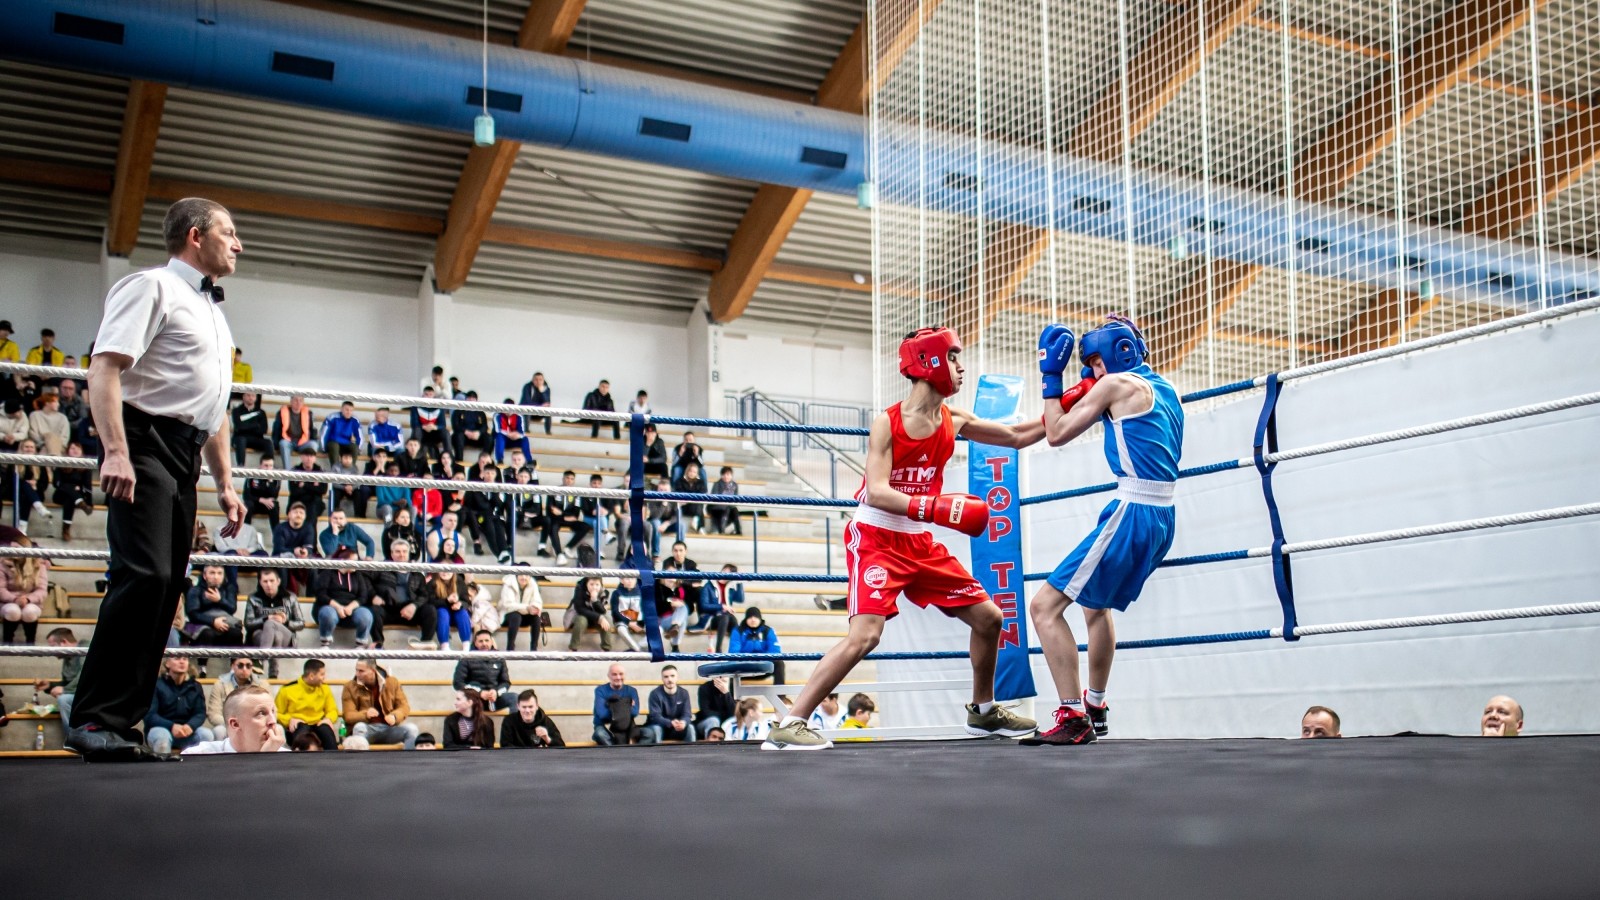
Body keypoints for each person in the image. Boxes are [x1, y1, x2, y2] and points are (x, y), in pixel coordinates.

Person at [764, 327, 1042, 750]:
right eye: (952, 357)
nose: (961, 366)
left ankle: (983, 713)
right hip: (875, 535)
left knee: (989, 619)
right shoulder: (887, 423)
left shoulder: (956, 419)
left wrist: (1074, 404)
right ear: (929, 362)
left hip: (917, 540)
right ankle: (791, 724)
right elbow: (876, 490)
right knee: (866, 636)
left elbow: (1018, 436)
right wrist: (933, 507)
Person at [1024, 316, 1185, 747]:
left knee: (1043, 607)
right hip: (1163, 514)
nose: (1093, 372)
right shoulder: (1168, 391)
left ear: (1120, 354)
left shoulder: (1114, 387)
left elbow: (1055, 433)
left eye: (1096, 361)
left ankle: (1072, 715)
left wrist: (1050, 378)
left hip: (1131, 509)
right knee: (1095, 608)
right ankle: (1095, 704)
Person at [181, 684, 288, 754]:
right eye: (261, 713)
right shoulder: (198, 756)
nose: (272, 721)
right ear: (235, 724)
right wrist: (264, 760)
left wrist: (269, 759)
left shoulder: (287, 759)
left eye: (273, 711)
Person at [372, 539, 436, 650]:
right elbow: (366, 582)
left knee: (430, 610)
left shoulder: (417, 573)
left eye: (404, 551)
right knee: (375, 611)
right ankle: (378, 644)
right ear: (391, 554)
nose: (401, 555)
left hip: (409, 611)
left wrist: (414, 606)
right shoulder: (381, 569)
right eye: (397, 551)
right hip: (388, 609)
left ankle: (425, 643)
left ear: (408, 553)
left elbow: (424, 595)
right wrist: (373, 596)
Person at [343, 657, 419, 749]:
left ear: (372, 670)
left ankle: (408, 761)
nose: (357, 674)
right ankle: (361, 762)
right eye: (356, 670)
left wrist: (394, 716)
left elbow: (404, 706)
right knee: (359, 727)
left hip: (389, 729)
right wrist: (365, 714)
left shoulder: (392, 682)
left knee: (412, 729)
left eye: (361, 671)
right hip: (367, 728)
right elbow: (348, 716)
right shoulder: (349, 687)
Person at [144, 657, 214, 756]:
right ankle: (162, 769)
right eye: (177, 659)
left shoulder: (196, 686)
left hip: (186, 732)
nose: (181, 662)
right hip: (161, 729)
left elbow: (200, 713)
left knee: (207, 735)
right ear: (167, 663)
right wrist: (171, 726)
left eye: (185, 659)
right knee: (162, 739)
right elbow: (149, 715)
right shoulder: (156, 685)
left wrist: (191, 725)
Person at [313, 548, 377, 648]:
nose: (357, 564)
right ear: (343, 561)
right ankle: (325, 643)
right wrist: (338, 607)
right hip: (331, 608)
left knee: (366, 614)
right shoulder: (328, 573)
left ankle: (361, 644)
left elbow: (363, 596)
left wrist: (350, 608)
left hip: (351, 611)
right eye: (354, 561)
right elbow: (321, 594)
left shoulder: (358, 575)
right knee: (328, 613)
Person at [244, 567, 302, 675]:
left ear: (278, 581)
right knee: (276, 635)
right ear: (260, 582)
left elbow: (301, 623)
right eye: (265, 581)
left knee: (271, 625)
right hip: (259, 635)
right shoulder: (253, 598)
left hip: (287, 636)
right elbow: (248, 623)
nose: (269, 584)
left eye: (272, 581)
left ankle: (260, 659)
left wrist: (284, 621)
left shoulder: (290, 597)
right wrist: (266, 618)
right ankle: (273, 674)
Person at [276, 658, 339, 751]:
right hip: (299, 725)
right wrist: (289, 720)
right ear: (311, 676)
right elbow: (276, 713)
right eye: (322, 674)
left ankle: (335, 761)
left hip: (318, 723)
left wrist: (328, 719)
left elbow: (332, 710)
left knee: (326, 729)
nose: (324, 678)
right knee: (302, 732)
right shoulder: (287, 690)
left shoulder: (325, 689)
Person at [183, 564, 245, 650]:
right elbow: (193, 614)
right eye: (212, 573)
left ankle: (237, 662)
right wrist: (213, 621)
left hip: (224, 624)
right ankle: (202, 663)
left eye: (220, 573)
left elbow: (232, 609)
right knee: (208, 633)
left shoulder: (229, 588)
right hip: (202, 626)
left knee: (236, 633)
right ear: (204, 575)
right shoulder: (195, 590)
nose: (216, 577)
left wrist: (220, 600)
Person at [0, 535, 49, 644]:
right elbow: (1, 589)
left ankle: (30, 642)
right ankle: (7, 642)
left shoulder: (38, 565)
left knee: (29, 612)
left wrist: (27, 599)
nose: (13, 553)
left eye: (17, 549)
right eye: (12, 549)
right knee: (13, 611)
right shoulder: (3, 564)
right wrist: (15, 599)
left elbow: (42, 590)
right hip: (7, 601)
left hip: (32, 602)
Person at [204, 656, 268, 738]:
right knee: (219, 730)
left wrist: (254, 723)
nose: (244, 669)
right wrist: (235, 724)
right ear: (232, 666)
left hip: (256, 724)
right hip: (229, 725)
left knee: (278, 728)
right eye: (240, 665)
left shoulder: (262, 685)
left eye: (248, 666)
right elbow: (213, 714)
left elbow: (271, 710)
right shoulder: (220, 685)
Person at [455, 630, 515, 711]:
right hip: (474, 699)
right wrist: (479, 694)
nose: (484, 644)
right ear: (475, 643)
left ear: (491, 642)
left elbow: (506, 682)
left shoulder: (499, 657)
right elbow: (458, 682)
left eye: (487, 641)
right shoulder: (466, 658)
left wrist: (496, 692)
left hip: (495, 699)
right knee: (468, 700)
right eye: (481, 641)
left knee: (515, 698)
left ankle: (513, 724)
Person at [35, 627, 83, 726]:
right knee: (64, 698)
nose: (52, 652)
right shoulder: (68, 657)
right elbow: (68, 683)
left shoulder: (85, 650)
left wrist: (65, 690)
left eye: (53, 647)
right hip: (81, 696)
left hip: (99, 695)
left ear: (63, 642)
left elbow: (86, 678)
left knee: (64, 699)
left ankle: (74, 739)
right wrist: (50, 686)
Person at [50, 441, 95, 542]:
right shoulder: (60, 465)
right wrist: (73, 486)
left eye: (78, 449)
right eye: (72, 448)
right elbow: (56, 483)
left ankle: (66, 529)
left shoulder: (86, 467)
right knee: (67, 488)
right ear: (67, 451)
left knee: (69, 499)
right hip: (59, 495)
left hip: (75, 496)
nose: (75, 450)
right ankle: (80, 502)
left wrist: (90, 503)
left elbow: (87, 486)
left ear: (82, 452)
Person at [728, 608, 786, 684]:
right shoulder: (738, 631)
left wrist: (761, 661)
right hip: (744, 668)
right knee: (732, 666)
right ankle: (732, 696)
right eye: (750, 617)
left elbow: (775, 651)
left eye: (755, 617)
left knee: (779, 663)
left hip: (763, 667)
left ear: (760, 618)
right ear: (746, 619)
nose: (753, 620)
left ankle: (780, 695)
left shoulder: (768, 631)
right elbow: (734, 652)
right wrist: (749, 660)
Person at [592, 663, 643, 746]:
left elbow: (635, 712)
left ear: (625, 675)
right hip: (604, 726)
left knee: (648, 733)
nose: (618, 677)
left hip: (625, 727)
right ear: (609, 676)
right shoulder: (600, 690)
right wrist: (626, 704)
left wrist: (610, 704)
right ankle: (618, 753)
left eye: (621, 674)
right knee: (600, 734)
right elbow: (602, 715)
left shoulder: (632, 691)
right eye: (614, 674)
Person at [428, 565, 474, 650]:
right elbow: (431, 602)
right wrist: (447, 600)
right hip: (442, 612)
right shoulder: (433, 583)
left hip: (456, 611)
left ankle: (466, 645)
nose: (445, 573)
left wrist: (460, 604)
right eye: (442, 570)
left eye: (448, 570)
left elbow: (467, 601)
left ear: (453, 572)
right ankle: (444, 645)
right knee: (442, 613)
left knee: (463, 613)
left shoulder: (459, 582)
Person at [501, 689, 565, 748]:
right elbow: (505, 747)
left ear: (537, 706)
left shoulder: (545, 721)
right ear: (518, 707)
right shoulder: (509, 721)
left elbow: (561, 747)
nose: (527, 710)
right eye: (524, 707)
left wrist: (547, 739)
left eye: (530, 707)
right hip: (517, 758)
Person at [500, 563, 542, 650]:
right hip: (507, 616)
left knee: (536, 618)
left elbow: (537, 601)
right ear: (516, 574)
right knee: (516, 616)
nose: (524, 577)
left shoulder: (533, 584)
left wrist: (535, 608)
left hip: (524, 615)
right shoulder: (509, 583)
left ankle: (534, 649)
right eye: (521, 574)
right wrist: (527, 607)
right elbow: (508, 605)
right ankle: (510, 648)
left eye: (526, 574)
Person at [286, 446, 326, 528]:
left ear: (315, 458)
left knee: (312, 510)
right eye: (306, 456)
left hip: (315, 502)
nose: (309, 459)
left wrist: (304, 485)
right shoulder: (295, 471)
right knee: (298, 510)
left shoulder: (320, 471)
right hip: (298, 501)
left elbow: (322, 490)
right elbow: (294, 491)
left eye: (311, 456)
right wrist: (313, 487)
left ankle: (310, 540)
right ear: (301, 457)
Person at [273, 394, 317, 469]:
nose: (298, 402)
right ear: (291, 401)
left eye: (300, 400)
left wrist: (314, 439)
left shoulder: (308, 413)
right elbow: (276, 429)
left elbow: (312, 429)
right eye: (296, 400)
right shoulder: (282, 412)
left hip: (303, 442)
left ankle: (309, 470)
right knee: (283, 443)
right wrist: (276, 445)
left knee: (313, 444)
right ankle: (288, 472)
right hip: (288, 442)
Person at [242, 452, 282, 531]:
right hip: (254, 504)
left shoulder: (276, 478)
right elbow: (246, 495)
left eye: (271, 466)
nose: (268, 468)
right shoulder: (252, 475)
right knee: (248, 505)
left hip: (267, 506)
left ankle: (277, 535)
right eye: (266, 465)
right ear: (260, 466)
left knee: (274, 505)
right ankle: (245, 533)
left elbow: (274, 496)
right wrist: (261, 500)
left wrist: (270, 482)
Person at [230, 392, 271, 465]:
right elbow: (239, 427)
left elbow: (263, 430)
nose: (251, 397)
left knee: (268, 442)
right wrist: (255, 425)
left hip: (256, 439)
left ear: (256, 398)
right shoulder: (236, 411)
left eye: (253, 395)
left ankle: (269, 466)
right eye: (248, 395)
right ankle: (241, 466)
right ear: (243, 397)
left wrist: (246, 426)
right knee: (241, 440)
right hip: (240, 438)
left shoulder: (261, 412)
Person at [28, 390, 70, 455]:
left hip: (59, 446)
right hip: (40, 445)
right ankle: (53, 462)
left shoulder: (63, 418)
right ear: (47, 403)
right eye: (55, 402)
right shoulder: (35, 415)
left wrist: (52, 443)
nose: (58, 404)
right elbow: (33, 433)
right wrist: (44, 443)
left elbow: (65, 437)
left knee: (51, 438)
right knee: (48, 441)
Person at [673, 462, 708, 533]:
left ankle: (696, 521)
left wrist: (692, 497)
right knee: (697, 502)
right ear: (687, 471)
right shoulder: (679, 481)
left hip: (695, 504)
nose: (692, 473)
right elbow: (680, 493)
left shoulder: (700, 482)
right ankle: (700, 526)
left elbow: (703, 492)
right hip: (684, 505)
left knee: (699, 503)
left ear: (697, 473)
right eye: (691, 471)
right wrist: (692, 497)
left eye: (694, 472)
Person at [707, 466, 741, 535]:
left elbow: (735, 498)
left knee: (735, 511)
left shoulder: (734, 485)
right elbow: (714, 497)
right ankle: (721, 530)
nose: (726, 476)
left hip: (729, 507)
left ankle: (738, 531)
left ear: (731, 476)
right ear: (721, 475)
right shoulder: (717, 484)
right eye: (724, 474)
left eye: (728, 474)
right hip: (716, 507)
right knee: (726, 509)